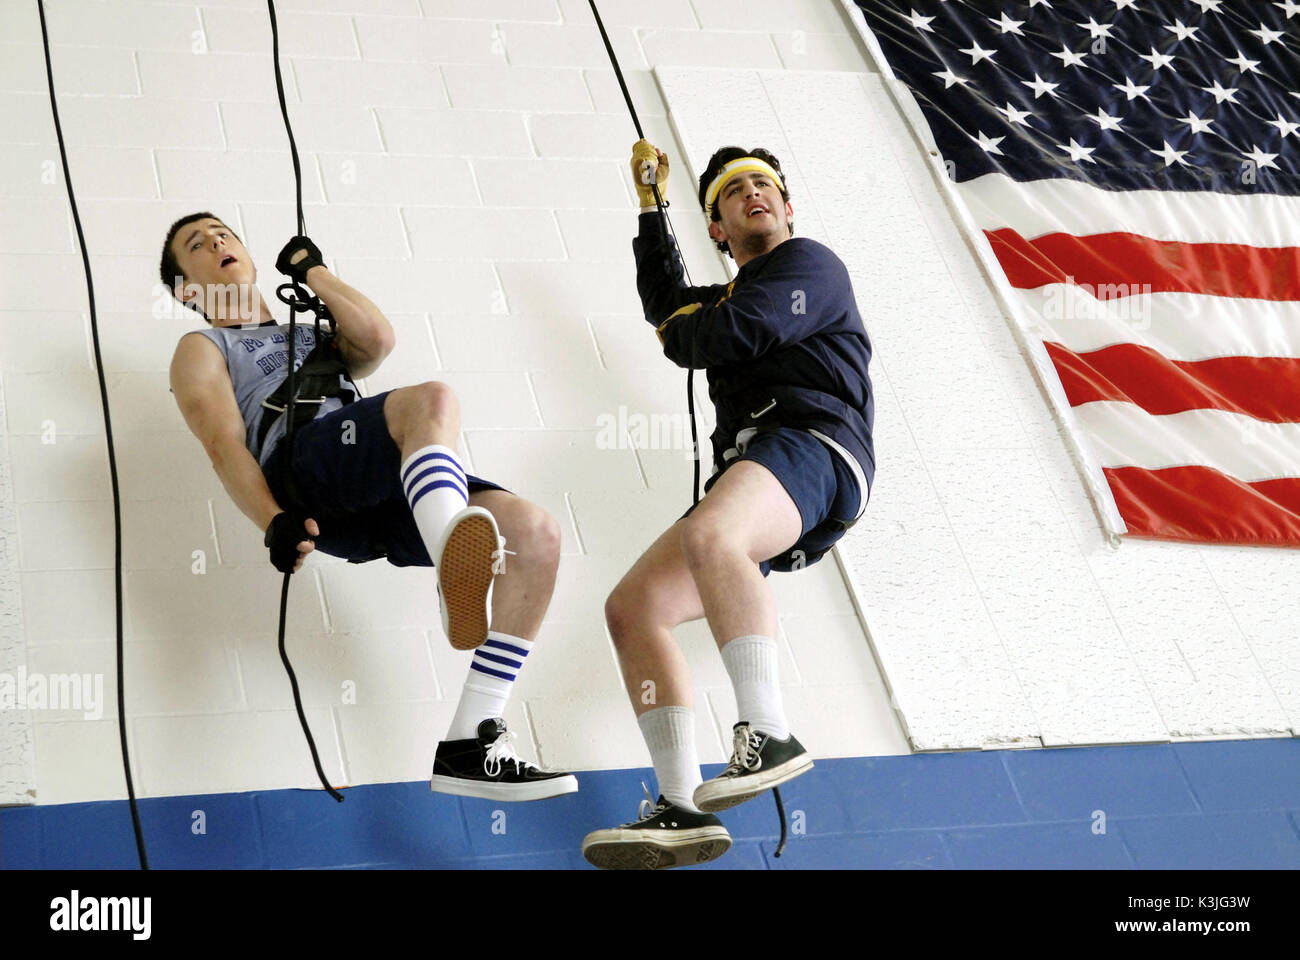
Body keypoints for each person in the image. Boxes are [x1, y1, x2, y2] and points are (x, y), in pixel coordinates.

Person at [161, 212, 576, 801]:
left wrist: (315, 272)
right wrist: (272, 522)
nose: (217, 243)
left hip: (372, 499)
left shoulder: (311, 332)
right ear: (187, 290)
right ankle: (448, 545)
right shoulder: (201, 347)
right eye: (196, 245)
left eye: (225, 233)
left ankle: (470, 740)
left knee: (536, 534)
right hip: (305, 472)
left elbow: (377, 339)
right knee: (431, 399)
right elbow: (223, 445)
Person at [581, 143, 875, 869]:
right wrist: (652, 208)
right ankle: (681, 805)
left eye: (764, 185)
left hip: (814, 445)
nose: (754, 195)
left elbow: (724, 333)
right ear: (716, 228)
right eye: (734, 192)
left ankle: (767, 728)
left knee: (716, 534)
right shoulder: (729, 294)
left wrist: (681, 331)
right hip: (758, 463)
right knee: (633, 608)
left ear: (786, 205)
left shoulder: (810, 267)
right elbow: (671, 307)